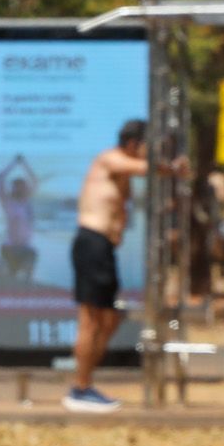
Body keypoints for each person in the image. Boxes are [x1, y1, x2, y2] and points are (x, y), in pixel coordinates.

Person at [66, 119, 175, 413]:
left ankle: (85, 381)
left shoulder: (124, 173)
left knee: (111, 317)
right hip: (91, 243)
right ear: (132, 143)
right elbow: (148, 169)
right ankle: (80, 388)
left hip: (104, 250)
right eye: (147, 145)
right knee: (90, 320)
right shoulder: (110, 159)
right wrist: (173, 167)